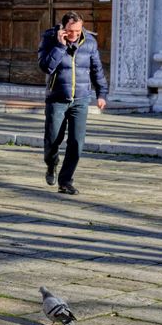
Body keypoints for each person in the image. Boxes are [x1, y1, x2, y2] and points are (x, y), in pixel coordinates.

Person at [37, 12, 108, 195]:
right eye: (71, 31)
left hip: (81, 99)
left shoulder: (90, 42)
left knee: (77, 142)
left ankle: (66, 181)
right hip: (57, 98)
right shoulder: (50, 38)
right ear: (63, 28)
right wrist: (60, 47)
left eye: (78, 30)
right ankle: (51, 164)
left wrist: (101, 94)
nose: (75, 34)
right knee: (53, 140)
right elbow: (45, 66)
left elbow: (96, 69)